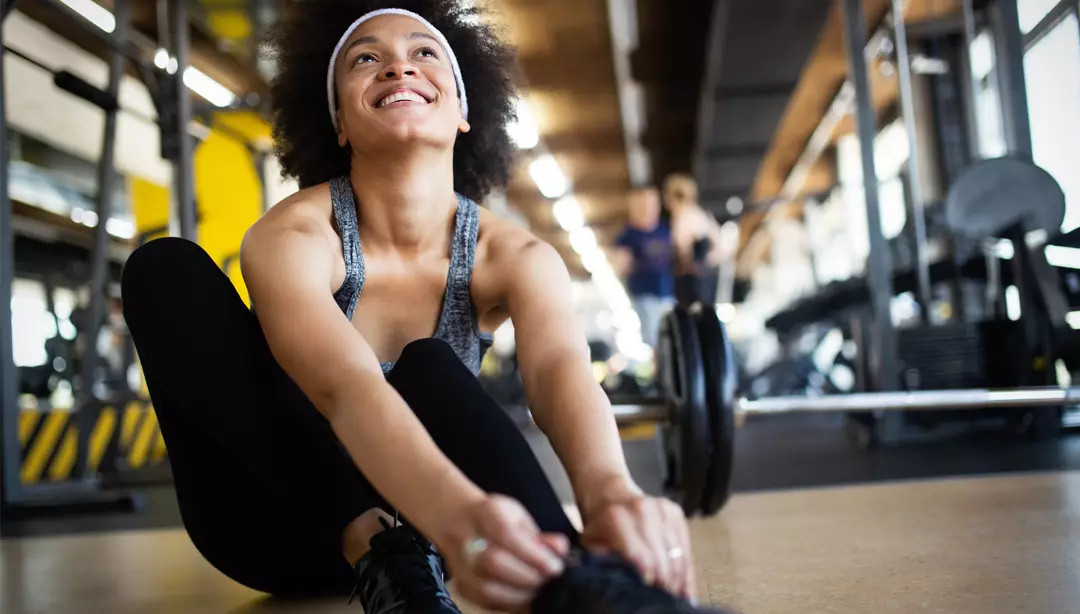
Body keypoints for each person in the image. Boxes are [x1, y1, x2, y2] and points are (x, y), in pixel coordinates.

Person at [120, 2, 717, 613]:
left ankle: (579, 589)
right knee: (163, 268)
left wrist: (610, 494)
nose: (398, 68)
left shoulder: (514, 254)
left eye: (424, 53)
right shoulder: (295, 236)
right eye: (367, 59)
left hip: (442, 527)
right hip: (282, 528)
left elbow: (558, 371)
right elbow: (346, 389)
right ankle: (375, 549)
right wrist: (463, 518)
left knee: (429, 362)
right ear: (339, 123)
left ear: (462, 110)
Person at [613, 187, 674, 349]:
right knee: (656, 339)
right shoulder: (628, 235)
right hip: (644, 296)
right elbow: (620, 265)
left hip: (667, 293)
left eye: (651, 204)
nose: (647, 208)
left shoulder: (666, 230)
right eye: (643, 204)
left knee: (671, 336)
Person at [662, 173, 724, 308]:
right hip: (704, 276)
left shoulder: (686, 216)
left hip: (693, 280)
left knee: (693, 315)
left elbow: (685, 248)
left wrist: (695, 263)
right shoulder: (700, 214)